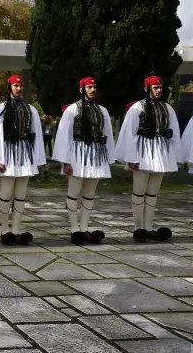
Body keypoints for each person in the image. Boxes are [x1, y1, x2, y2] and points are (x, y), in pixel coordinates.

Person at [116, 76, 180, 242]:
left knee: (152, 193)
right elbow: (129, 134)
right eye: (155, 87)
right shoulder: (137, 108)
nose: (159, 90)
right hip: (142, 153)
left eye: (160, 87)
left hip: (160, 154)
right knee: (139, 191)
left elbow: (174, 132)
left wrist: (173, 156)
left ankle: (149, 227)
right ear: (147, 88)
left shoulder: (167, 108)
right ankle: (139, 228)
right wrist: (131, 157)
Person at [52, 77, 115, 245]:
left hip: (96, 155)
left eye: (94, 87)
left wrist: (108, 157)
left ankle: (85, 227)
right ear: (82, 90)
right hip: (77, 154)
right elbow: (64, 136)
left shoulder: (102, 111)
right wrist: (66, 161)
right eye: (89, 87)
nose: (93, 90)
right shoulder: (72, 110)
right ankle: (74, 228)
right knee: (73, 192)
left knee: (89, 194)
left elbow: (107, 134)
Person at [0, 74, 46, 245]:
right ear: (9, 87)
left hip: (25, 156)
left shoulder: (31, 110)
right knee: (5, 194)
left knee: (21, 196)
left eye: (21, 85)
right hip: (7, 155)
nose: (18, 88)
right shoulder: (1, 109)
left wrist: (38, 159)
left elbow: (37, 136)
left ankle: (16, 230)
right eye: (15, 85)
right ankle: (5, 230)